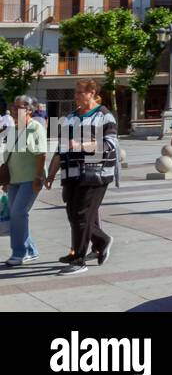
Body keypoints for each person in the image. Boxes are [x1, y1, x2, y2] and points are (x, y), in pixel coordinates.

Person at [45, 79, 117, 276]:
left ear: (92, 92)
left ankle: (78, 259)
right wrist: (50, 174)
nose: (75, 96)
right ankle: (101, 241)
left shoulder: (104, 116)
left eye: (79, 92)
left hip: (95, 174)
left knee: (81, 216)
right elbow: (61, 149)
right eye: (75, 92)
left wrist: (80, 145)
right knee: (74, 215)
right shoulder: (70, 117)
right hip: (71, 175)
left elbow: (109, 144)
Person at [1, 95, 47, 267]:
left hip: (30, 179)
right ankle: (31, 250)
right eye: (13, 106)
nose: (13, 109)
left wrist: (38, 177)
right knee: (15, 215)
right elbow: (10, 157)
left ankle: (20, 252)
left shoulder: (35, 128)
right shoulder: (14, 129)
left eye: (18, 107)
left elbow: (41, 154)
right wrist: (6, 180)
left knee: (18, 213)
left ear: (29, 110)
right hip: (14, 180)